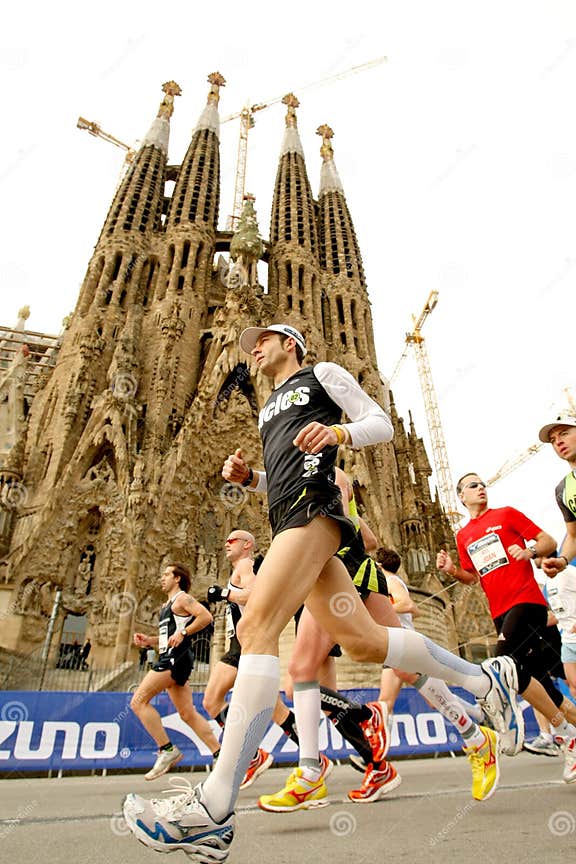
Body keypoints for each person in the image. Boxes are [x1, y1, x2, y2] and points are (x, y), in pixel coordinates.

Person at [123, 323, 523, 860]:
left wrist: (338, 435)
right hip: (287, 512)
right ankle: (483, 679)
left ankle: (214, 808)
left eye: (261, 339)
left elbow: (377, 424)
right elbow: (286, 474)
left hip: (315, 516)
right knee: (363, 642)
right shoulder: (268, 410)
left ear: (290, 343)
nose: (253, 349)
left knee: (255, 627)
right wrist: (251, 480)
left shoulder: (321, 375)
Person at [437, 472, 576, 782]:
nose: (481, 488)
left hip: (527, 602)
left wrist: (529, 552)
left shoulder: (507, 515)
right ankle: (570, 732)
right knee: (533, 680)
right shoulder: (464, 536)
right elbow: (472, 577)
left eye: (482, 484)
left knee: (501, 663)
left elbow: (549, 541)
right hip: (499, 612)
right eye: (473, 485)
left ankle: (559, 735)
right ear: (462, 496)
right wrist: (451, 571)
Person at [130, 562, 221, 781]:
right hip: (170, 655)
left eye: (166, 574)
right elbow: (166, 638)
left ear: (177, 578)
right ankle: (220, 754)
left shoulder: (182, 599)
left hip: (175, 658)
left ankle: (167, 750)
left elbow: (206, 616)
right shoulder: (166, 606)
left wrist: (184, 632)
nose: (162, 578)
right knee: (187, 713)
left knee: (138, 702)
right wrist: (149, 641)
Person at [202, 530, 275, 790]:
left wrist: (223, 594)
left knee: (212, 700)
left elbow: (255, 596)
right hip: (240, 644)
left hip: (246, 644)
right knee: (216, 701)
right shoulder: (239, 568)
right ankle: (254, 755)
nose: (226, 544)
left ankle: (253, 755)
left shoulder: (246, 565)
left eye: (232, 541)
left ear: (247, 545)